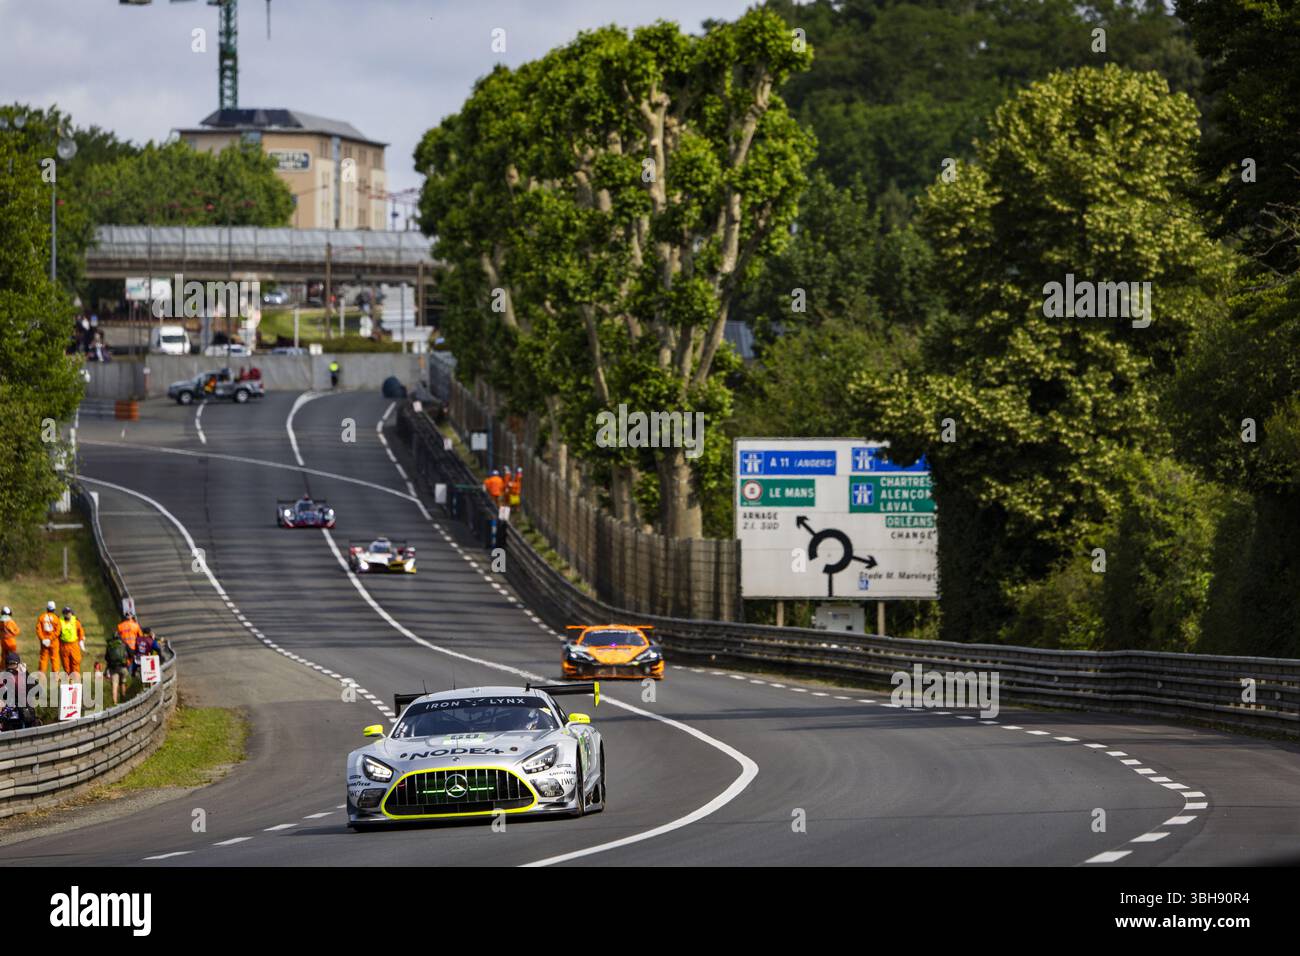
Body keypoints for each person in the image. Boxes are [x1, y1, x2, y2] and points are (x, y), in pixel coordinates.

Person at [0, 653, 39, 731]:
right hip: (9, 712)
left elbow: (37, 691)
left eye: (13, 664)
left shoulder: (24, 676)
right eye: (9, 664)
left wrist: (26, 675)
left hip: (25, 711)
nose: (11, 667)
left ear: (18, 665)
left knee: (25, 711)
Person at [104, 633, 132, 705]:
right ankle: (124, 699)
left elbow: (106, 658)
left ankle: (115, 703)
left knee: (114, 685)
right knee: (122, 682)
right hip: (123, 667)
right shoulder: (123, 644)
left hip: (113, 668)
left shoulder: (110, 645)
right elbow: (131, 653)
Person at [58, 606, 85, 676]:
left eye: (69, 613)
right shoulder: (59, 622)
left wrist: (81, 641)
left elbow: (80, 631)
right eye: (66, 613)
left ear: (71, 613)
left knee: (75, 664)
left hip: (74, 645)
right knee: (66, 666)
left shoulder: (76, 621)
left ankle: (76, 683)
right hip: (64, 646)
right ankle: (69, 683)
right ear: (63, 614)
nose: (67, 614)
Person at [36, 600, 61, 674]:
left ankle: (41, 678)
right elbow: (58, 631)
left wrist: (43, 639)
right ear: (54, 609)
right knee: (55, 659)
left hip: (44, 643)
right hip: (53, 642)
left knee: (43, 659)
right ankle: (55, 679)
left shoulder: (41, 617)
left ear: (47, 608)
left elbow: (38, 630)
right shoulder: (56, 618)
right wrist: (50, 639)